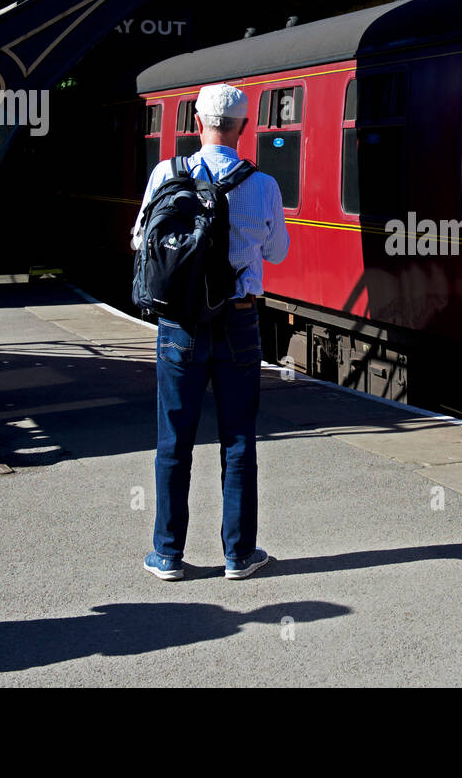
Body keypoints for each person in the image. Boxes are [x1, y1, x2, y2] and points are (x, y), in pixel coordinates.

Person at [131, 82, 289, 581]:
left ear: (196, 121)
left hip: (179, 325)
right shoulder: (262, 184)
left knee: (173, 440)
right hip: (239, 320)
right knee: (239, 438)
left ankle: (167, 554)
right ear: (245, 126)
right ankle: (239, 555)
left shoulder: (166, 173)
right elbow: (278, 252)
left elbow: (139, 239)